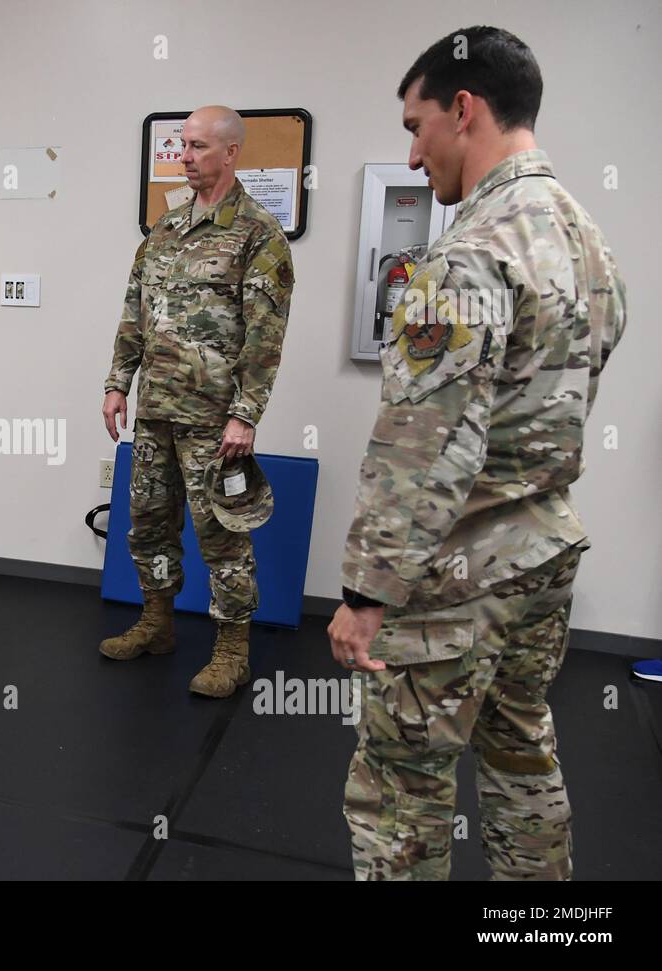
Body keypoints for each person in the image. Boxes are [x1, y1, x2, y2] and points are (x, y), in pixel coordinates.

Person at [329, 26, 627, 880]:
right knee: (521, 751)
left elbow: (424, 448)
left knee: (400, 788)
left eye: (415, 125)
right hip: (547, 552)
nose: (414, 154)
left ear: (465, 110)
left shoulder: (469, 254)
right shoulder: (584, 238)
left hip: (461, 569)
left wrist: (364, 593)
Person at [100, 106, 295, 697]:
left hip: (214, 421)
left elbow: (265, 337)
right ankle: (157, 622)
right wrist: (117, 383)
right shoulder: (165, 229)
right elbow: (135, 313)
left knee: (222, 538)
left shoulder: (260, 236)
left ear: (232, 152)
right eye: (182, 145)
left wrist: (246, 415)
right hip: (157, 410)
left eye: (198, 146)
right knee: (148, 527)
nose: (184, 156)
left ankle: (232, 649)